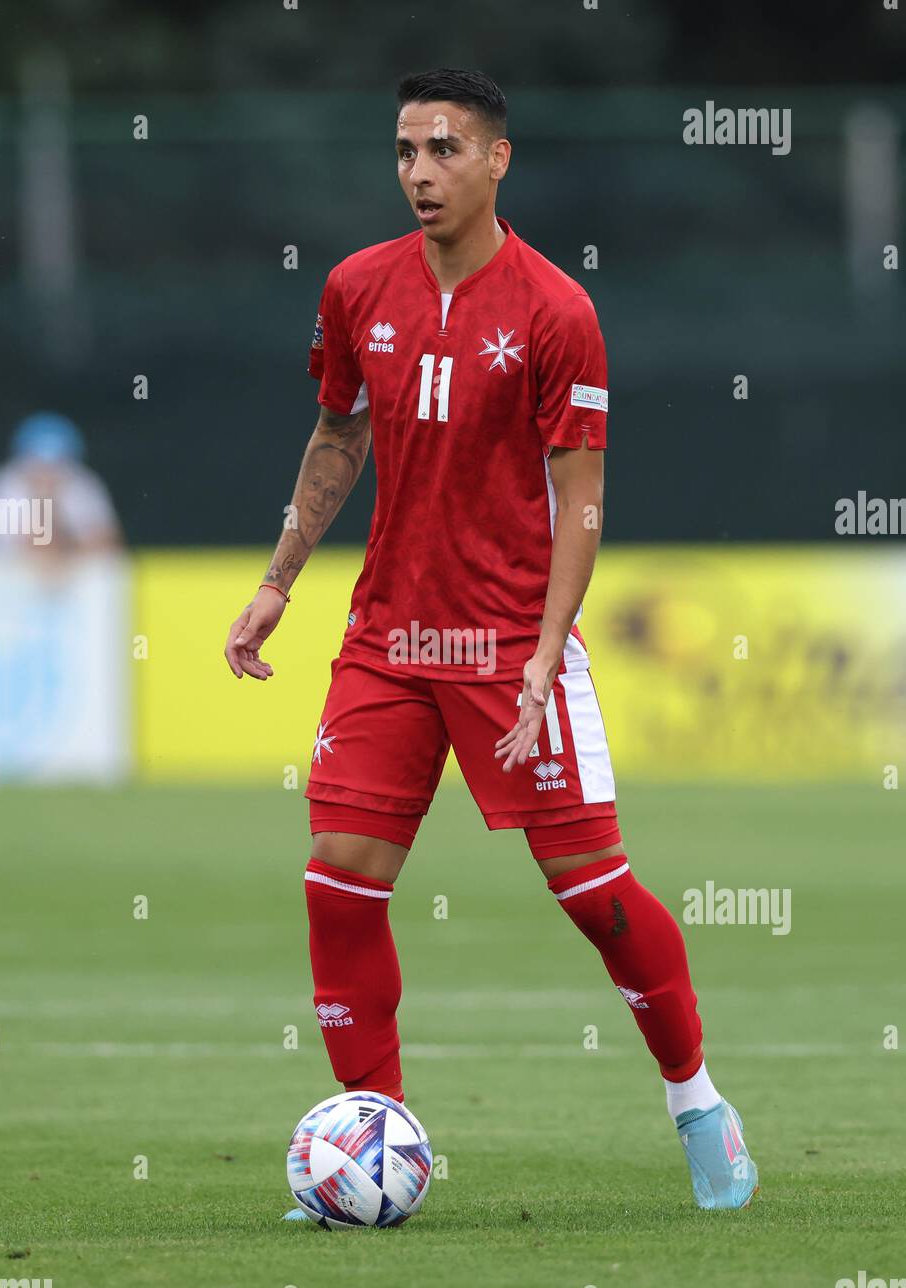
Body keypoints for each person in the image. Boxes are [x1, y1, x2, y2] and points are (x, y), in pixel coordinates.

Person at [224, 68, 758, 1216]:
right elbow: (335, 435)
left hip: (510, 645)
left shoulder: (557, 309)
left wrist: (545, 650)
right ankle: (370, 1144)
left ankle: (697, 1104)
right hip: (384, 644)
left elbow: (582, 501)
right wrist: (278, 581)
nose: (420, 171)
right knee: (338, 887)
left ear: (497, 159)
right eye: (407, 150)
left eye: (445, 149)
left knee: (595, 897)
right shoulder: (355, 287)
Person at [0, 413, 122, 557]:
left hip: (72, 569)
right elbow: (31, 550)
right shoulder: (3, 486)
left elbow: (109, 543)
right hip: (8, 571)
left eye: (57, 465)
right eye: (36, 464)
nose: (46, 473)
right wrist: (44, 500)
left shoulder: (83, 483)